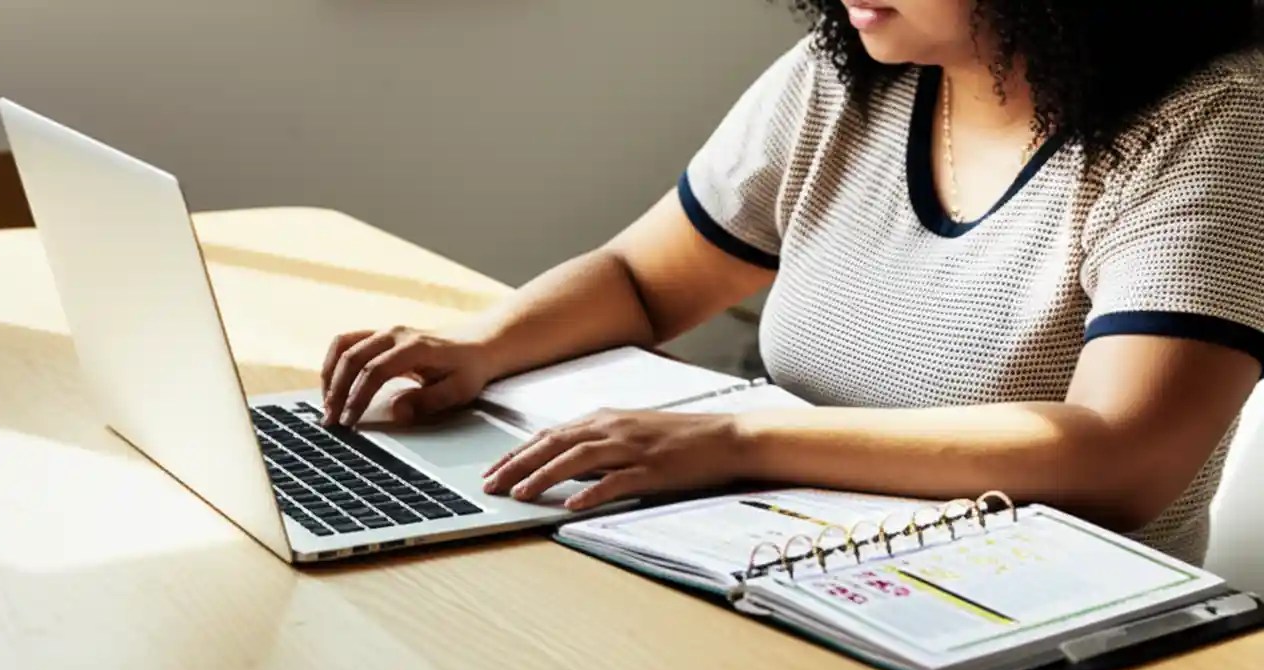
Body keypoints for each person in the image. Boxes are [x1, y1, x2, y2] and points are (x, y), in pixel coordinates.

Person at [320, 1, 1264, 564]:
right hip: (781, 558)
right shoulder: (854, 68)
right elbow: (644, 280)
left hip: (1047, 627)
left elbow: (1120, 458)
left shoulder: (1217, 119)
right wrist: (479, 343)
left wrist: (738, 441)